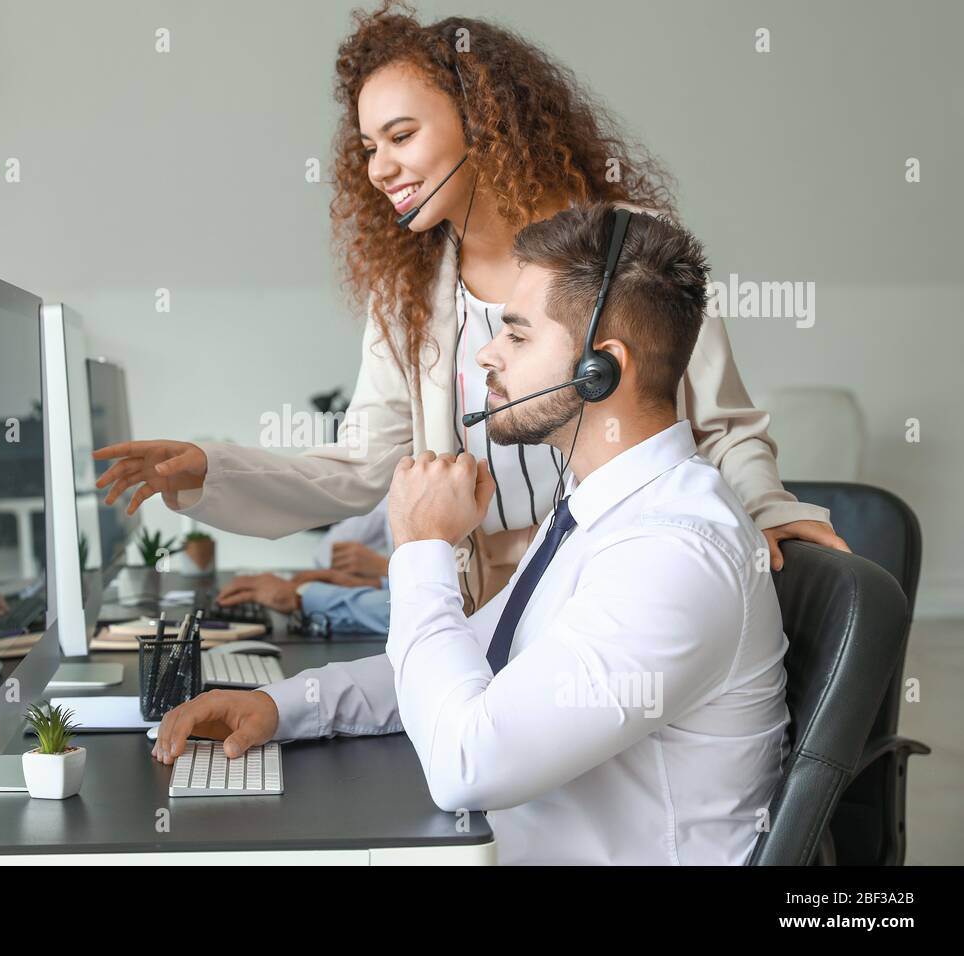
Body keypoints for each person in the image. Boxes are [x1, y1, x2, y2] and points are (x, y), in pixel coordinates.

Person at [94, 4, 846, 613]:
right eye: (366, 146)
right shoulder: (408, 293)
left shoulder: (625, 248)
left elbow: (721, 425)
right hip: (480, 593)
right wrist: (207, 470)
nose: (378, 167)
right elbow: (361, 467)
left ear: (482, 122)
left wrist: (770, 509)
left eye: (401, 135)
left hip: (622, 570)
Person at [150, 206, 791, 865]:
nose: (486, 353)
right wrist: (280, 707)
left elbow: (468, 762)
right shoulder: (597, 512)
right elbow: (470, 662)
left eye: (516, 336)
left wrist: (423, 546)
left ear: (601, 369)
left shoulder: (670, 552)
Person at [218, 496, 392, 634]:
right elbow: (326, 553)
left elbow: (407, 607)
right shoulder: (398, 480)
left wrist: (300, 598)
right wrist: (370, 584)